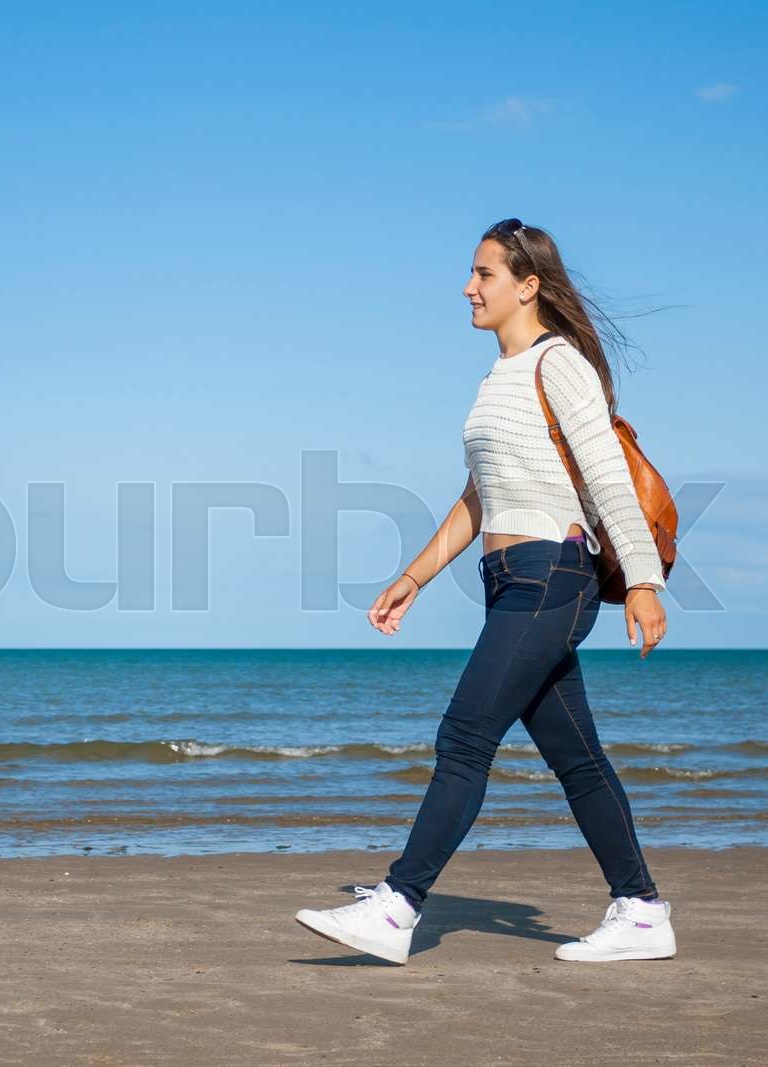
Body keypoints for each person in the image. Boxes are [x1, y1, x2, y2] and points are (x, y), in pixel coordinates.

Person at [294, 218, 677, 965]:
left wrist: (643, 580)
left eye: (485, 274)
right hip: (512, 582)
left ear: (527, 285)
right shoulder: (499, 377)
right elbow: (478, 497)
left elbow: (603, 473)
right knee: (579, 758)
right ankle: (641, 911)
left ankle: (398, 905)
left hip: (550, 575)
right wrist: (413, 576)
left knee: (465, 737)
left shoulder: (557, 362)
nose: (469, 287)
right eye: (472, 275)